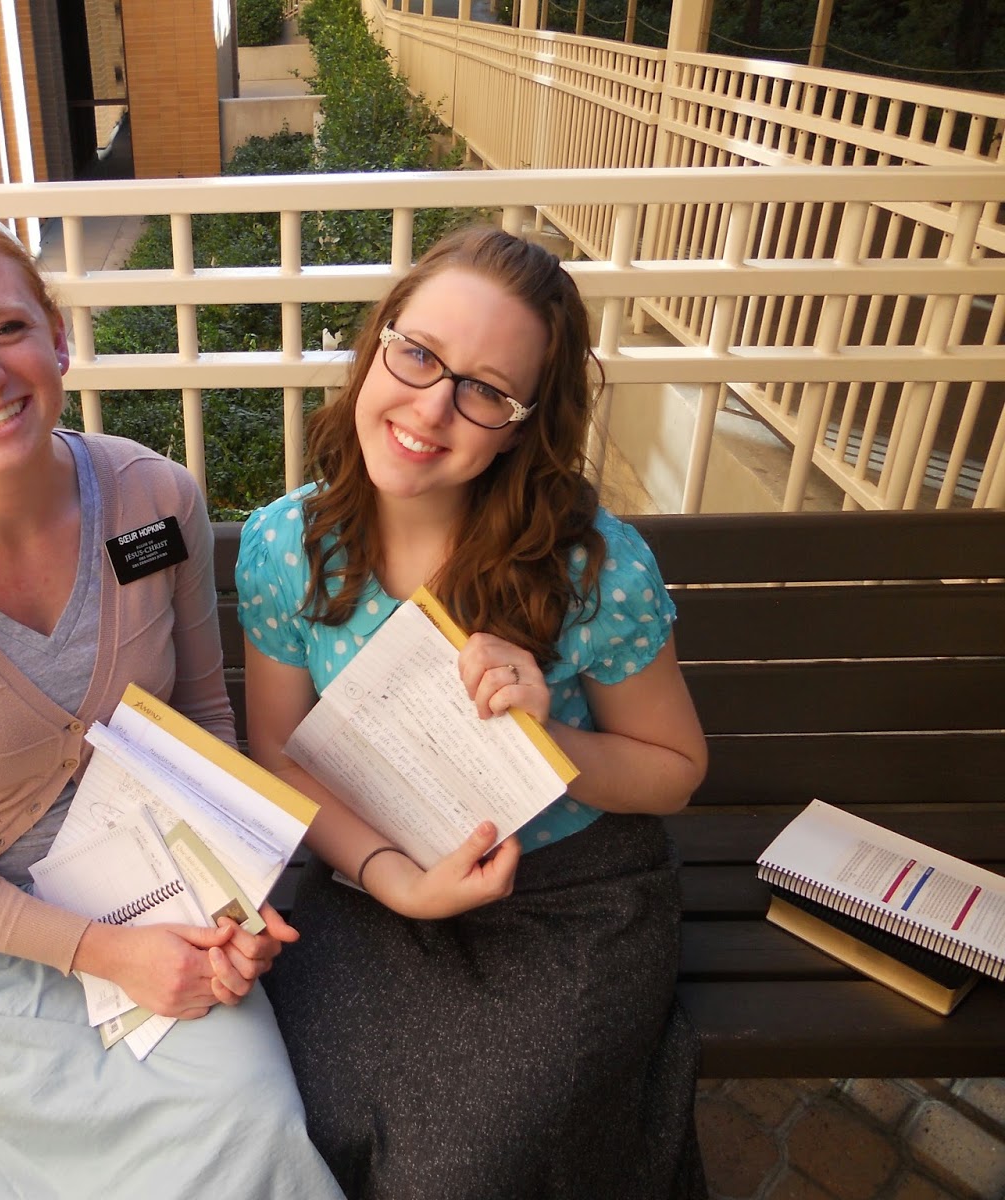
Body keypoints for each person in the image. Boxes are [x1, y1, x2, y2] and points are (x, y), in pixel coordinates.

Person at [0, 202, 342, 1199]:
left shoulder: (153, 502)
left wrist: (230, 890)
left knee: (247, 1120)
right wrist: (106, 956)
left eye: (6, 329)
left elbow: (202, 723)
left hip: (145, 870)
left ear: (56, 335)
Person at [236, 225, 710, 1200]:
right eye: (416, 354)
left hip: (567, 892)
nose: (429, 406)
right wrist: (392, 879)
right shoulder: (290, 545)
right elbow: (278, 751)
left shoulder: (589, 566)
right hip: (371, 871)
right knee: (298, 1123)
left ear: (523, 422)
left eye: (485, 389)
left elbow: (672, 767)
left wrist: (547, 735)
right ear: (378, 342)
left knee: (471, 1164)